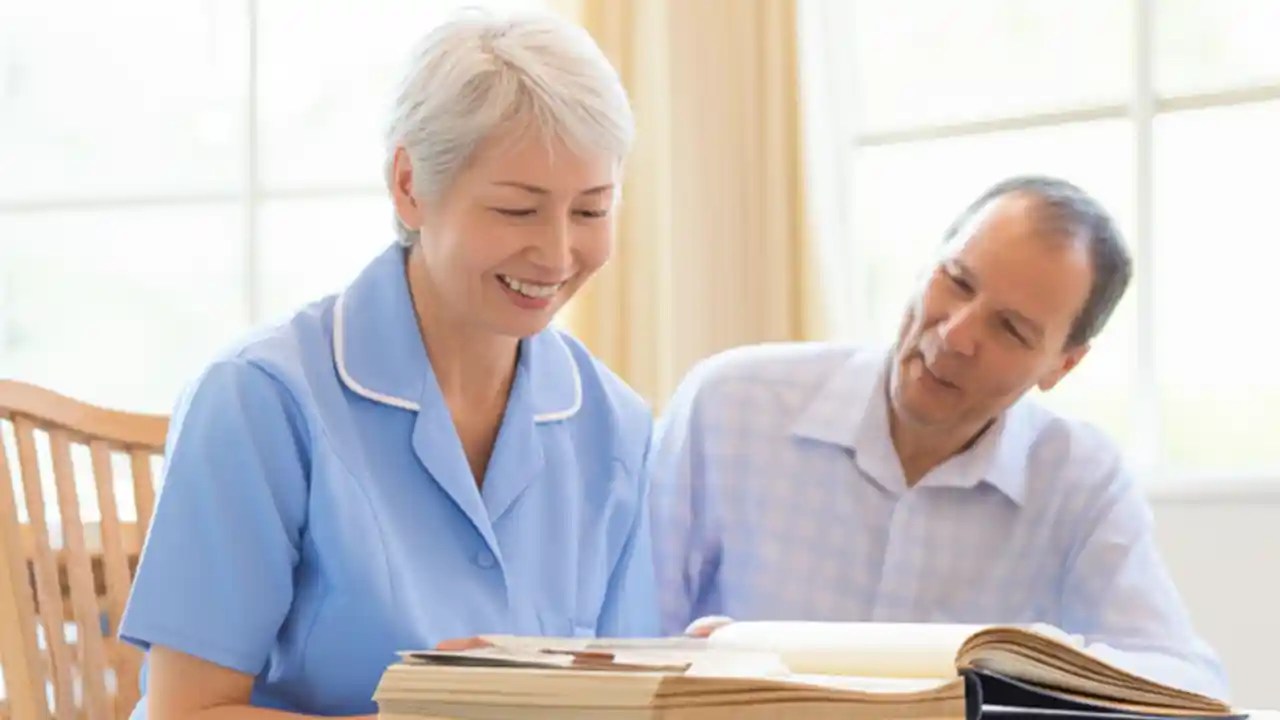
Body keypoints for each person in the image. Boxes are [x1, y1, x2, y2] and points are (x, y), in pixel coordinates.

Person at [119, 11, 657, 719]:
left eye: (590, 213)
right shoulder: (261, 398)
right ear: (409, 185)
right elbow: (185, 712)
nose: (557, 256)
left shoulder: (615, 426)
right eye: (517, 211)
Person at [648, 176, 1229, 699]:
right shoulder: (732, 403)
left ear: (1062, 366)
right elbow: (622, 634)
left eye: (1009, 328)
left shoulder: (1078, 477)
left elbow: (1188, 682)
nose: (956, 335)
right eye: (956, 281)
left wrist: (1032, 661)